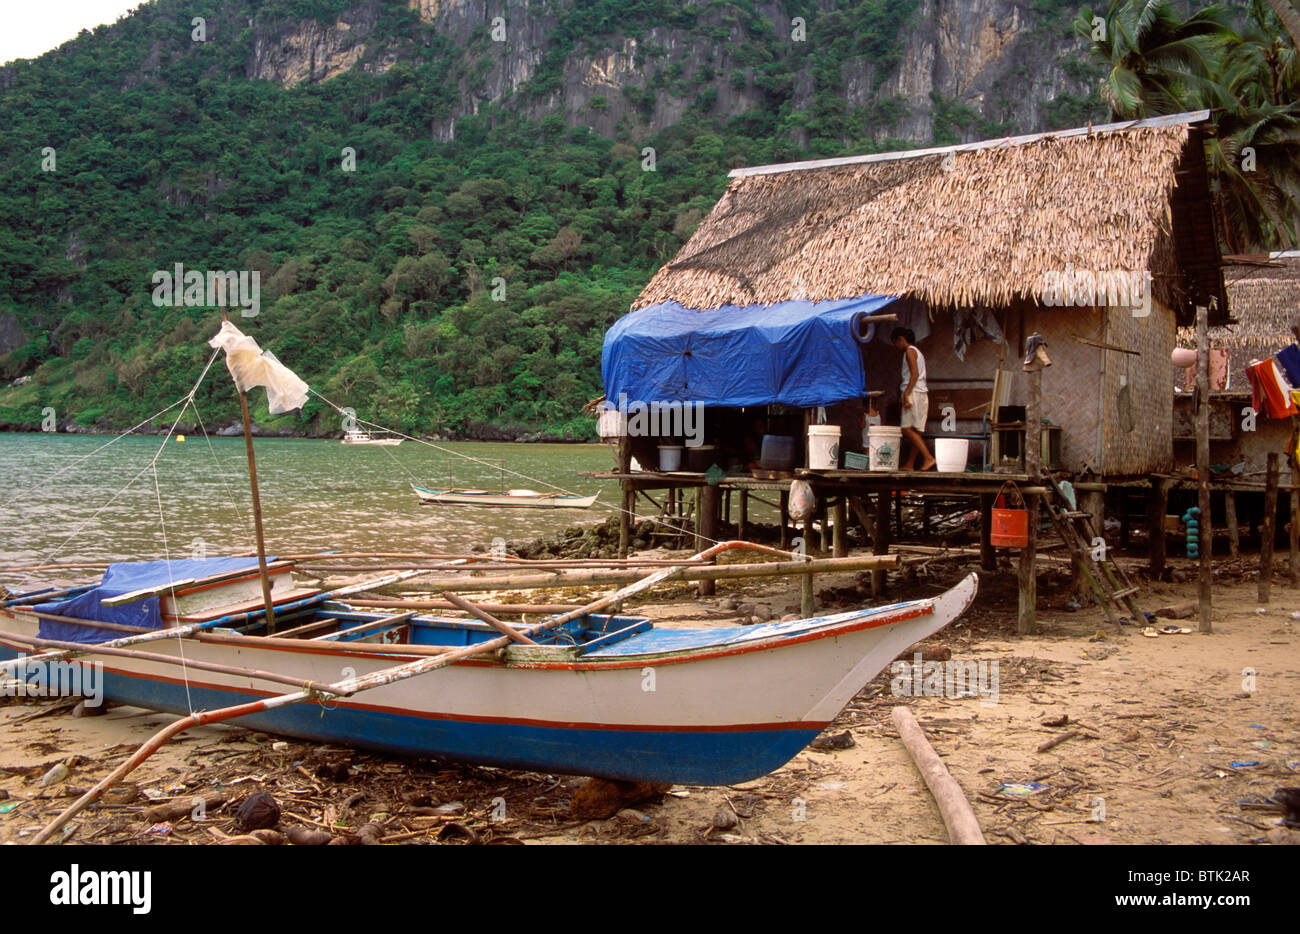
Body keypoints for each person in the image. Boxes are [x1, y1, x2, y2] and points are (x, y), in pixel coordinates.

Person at [892, 327, 935, 471]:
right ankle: (910, 464)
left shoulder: (909, 351)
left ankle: (928, 457)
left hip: (914, 392)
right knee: (915, 431)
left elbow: (914, 374)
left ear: (900, 339)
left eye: (896, 343)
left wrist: (906, 393)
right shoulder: (918, 352)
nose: (896, 347)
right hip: (920, 393)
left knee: (906, 429)